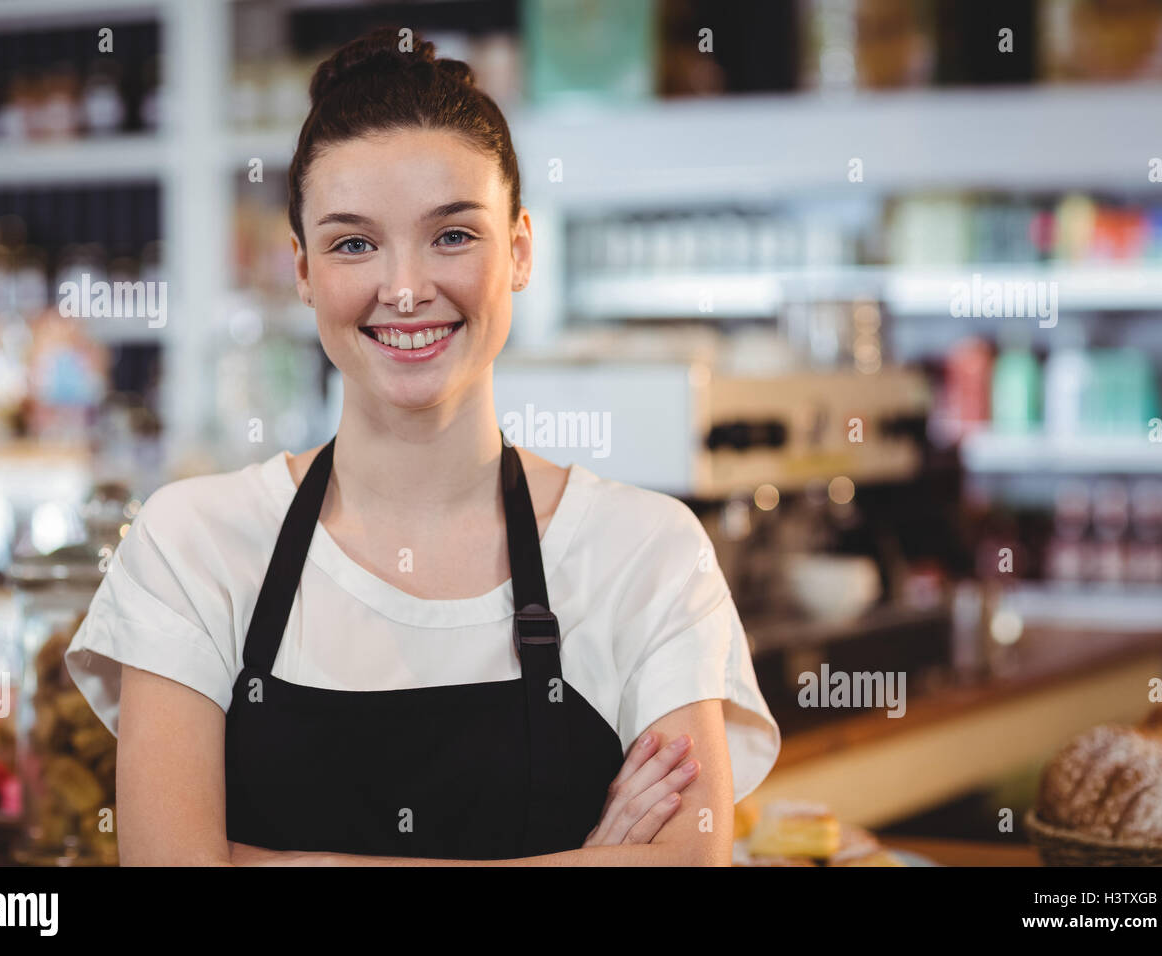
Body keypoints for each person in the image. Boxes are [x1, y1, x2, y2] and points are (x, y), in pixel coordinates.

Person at [65, 26, 779, 866]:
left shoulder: (649, 553)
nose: (405, 290)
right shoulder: (193, 544)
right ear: (302, 270)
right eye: (354, 243)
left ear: (518, 249)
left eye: (452, 235)